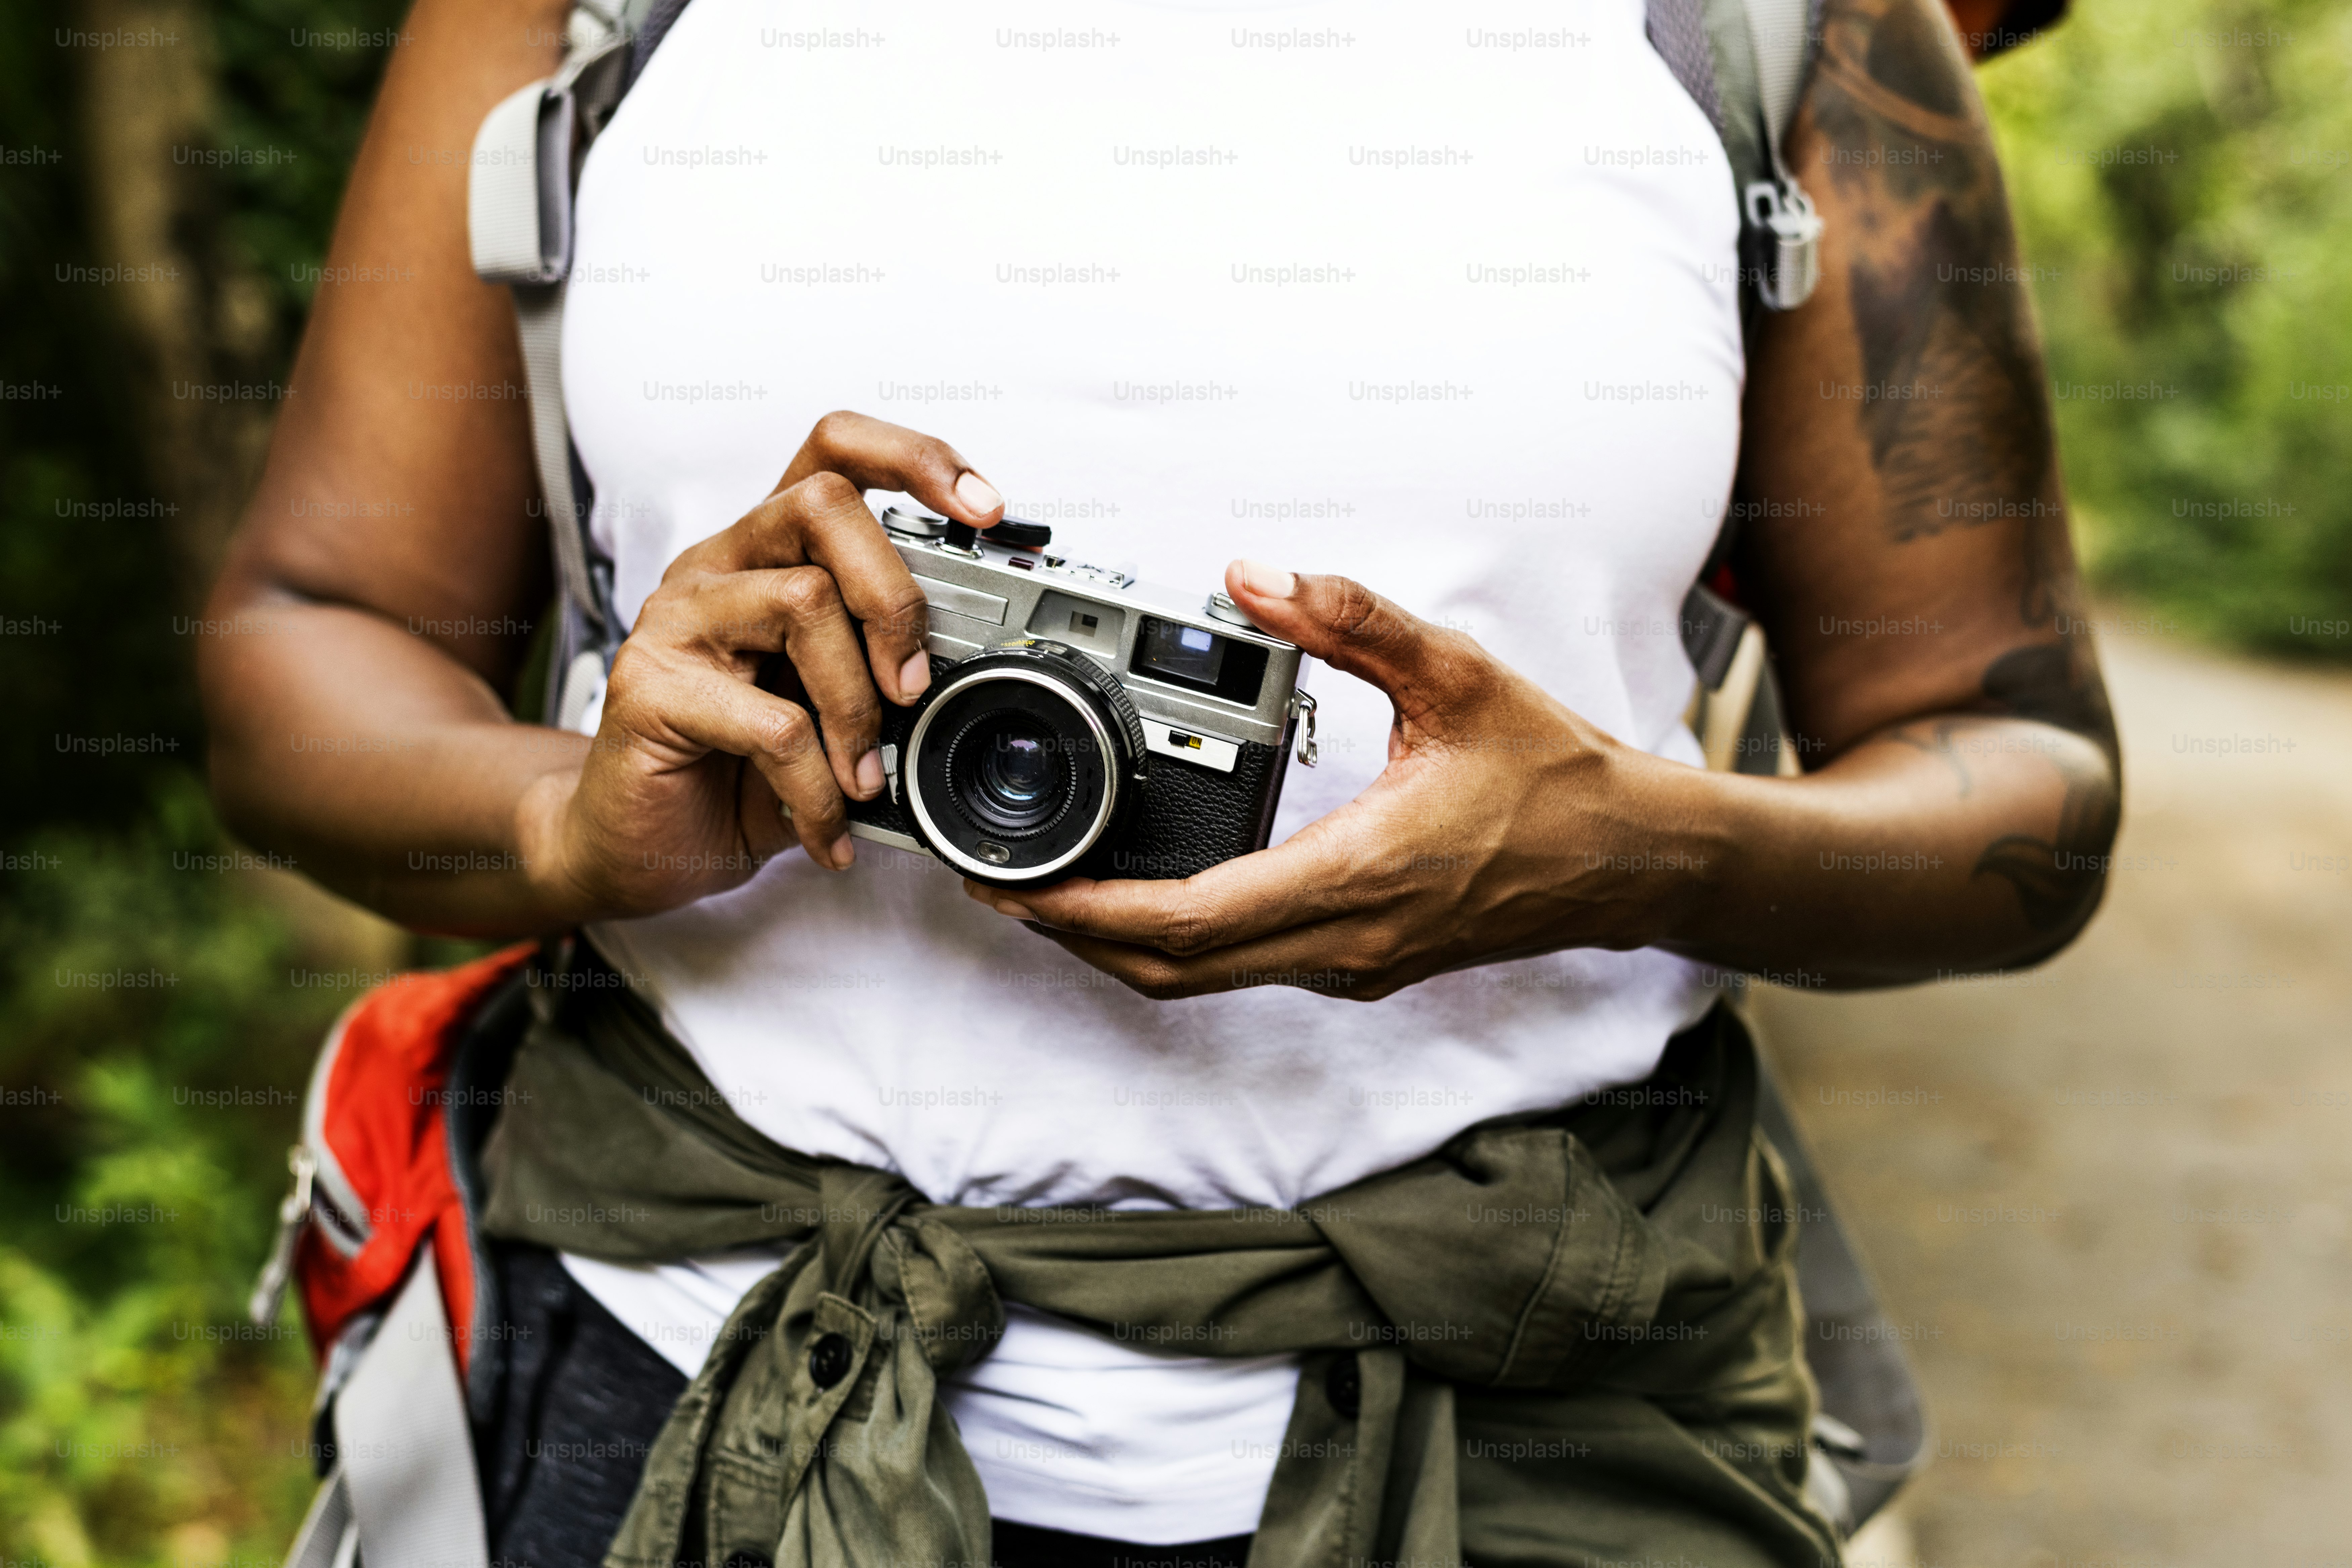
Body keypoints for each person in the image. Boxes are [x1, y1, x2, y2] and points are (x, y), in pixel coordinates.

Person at [200, 0, 2118, 1563]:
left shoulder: (1785, 33)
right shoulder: (583, 16)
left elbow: (2022, 784)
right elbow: (312, 630)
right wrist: (565, 817)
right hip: (677, 1399)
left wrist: (1635, 850)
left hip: (1522, 1457)